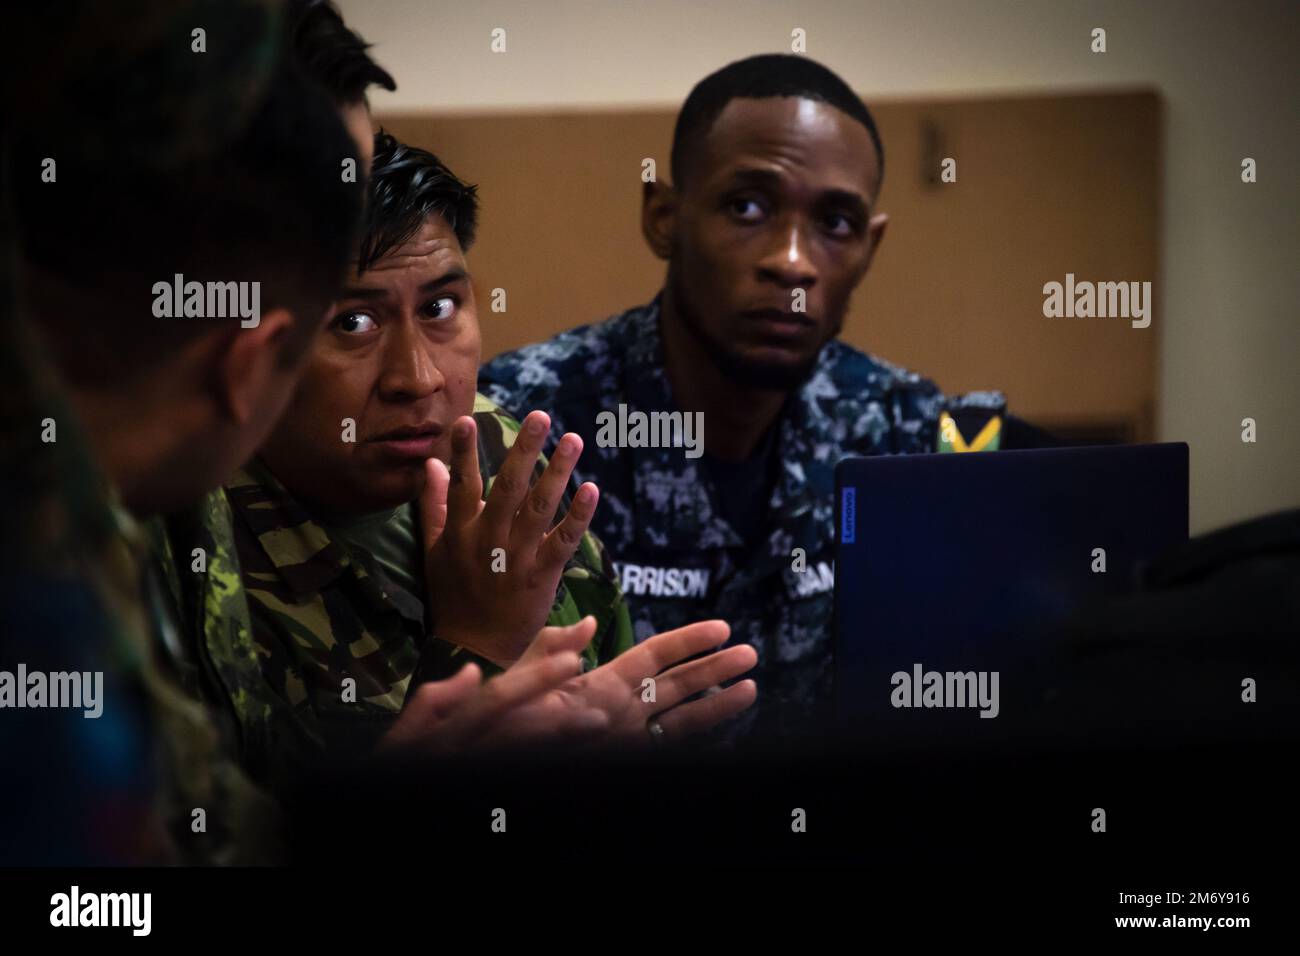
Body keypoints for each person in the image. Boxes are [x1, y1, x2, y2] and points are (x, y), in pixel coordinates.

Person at [480, 54, 1008, 742]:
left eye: (837, 222)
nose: (792, 260)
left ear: (870, 248)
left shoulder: (905, 431)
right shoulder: (525, 424)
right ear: (665, 217)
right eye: (748, 207)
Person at [217, 132, 758, 778]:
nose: (417, 378)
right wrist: (474, 648)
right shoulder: (190, 539)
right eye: (353, 323)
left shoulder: (501, 450)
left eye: (440, 307)